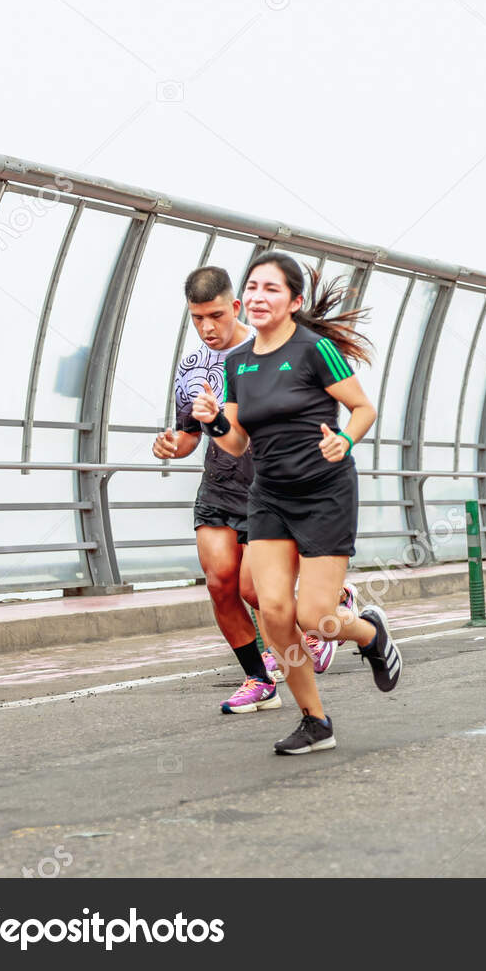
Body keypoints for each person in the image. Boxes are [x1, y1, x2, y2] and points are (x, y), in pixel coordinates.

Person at [195, 252, 396, 755]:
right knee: (275, 612)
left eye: (272, 289)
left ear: (294, 301)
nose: (260, 297)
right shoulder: (237, 362)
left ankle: (368, 633)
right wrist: (214, 421)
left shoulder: (315, 350)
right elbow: (238, 443)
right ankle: (315, 720)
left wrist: (345, 441)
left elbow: (363, 408)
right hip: (268, 496)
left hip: (325, 492)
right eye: (254, 288)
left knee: (316, 617)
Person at [153, 266, 284, 715]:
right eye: (196, 318)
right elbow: (188, 436)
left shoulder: (268, 350)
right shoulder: (190, 367)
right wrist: (172, 445)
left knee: (254, 589)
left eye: (214, 316)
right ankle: (258, 679)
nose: (207, 328)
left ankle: (332, 606)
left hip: (267, 485)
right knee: (220, 583)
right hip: (219, 485)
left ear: (235, 307)